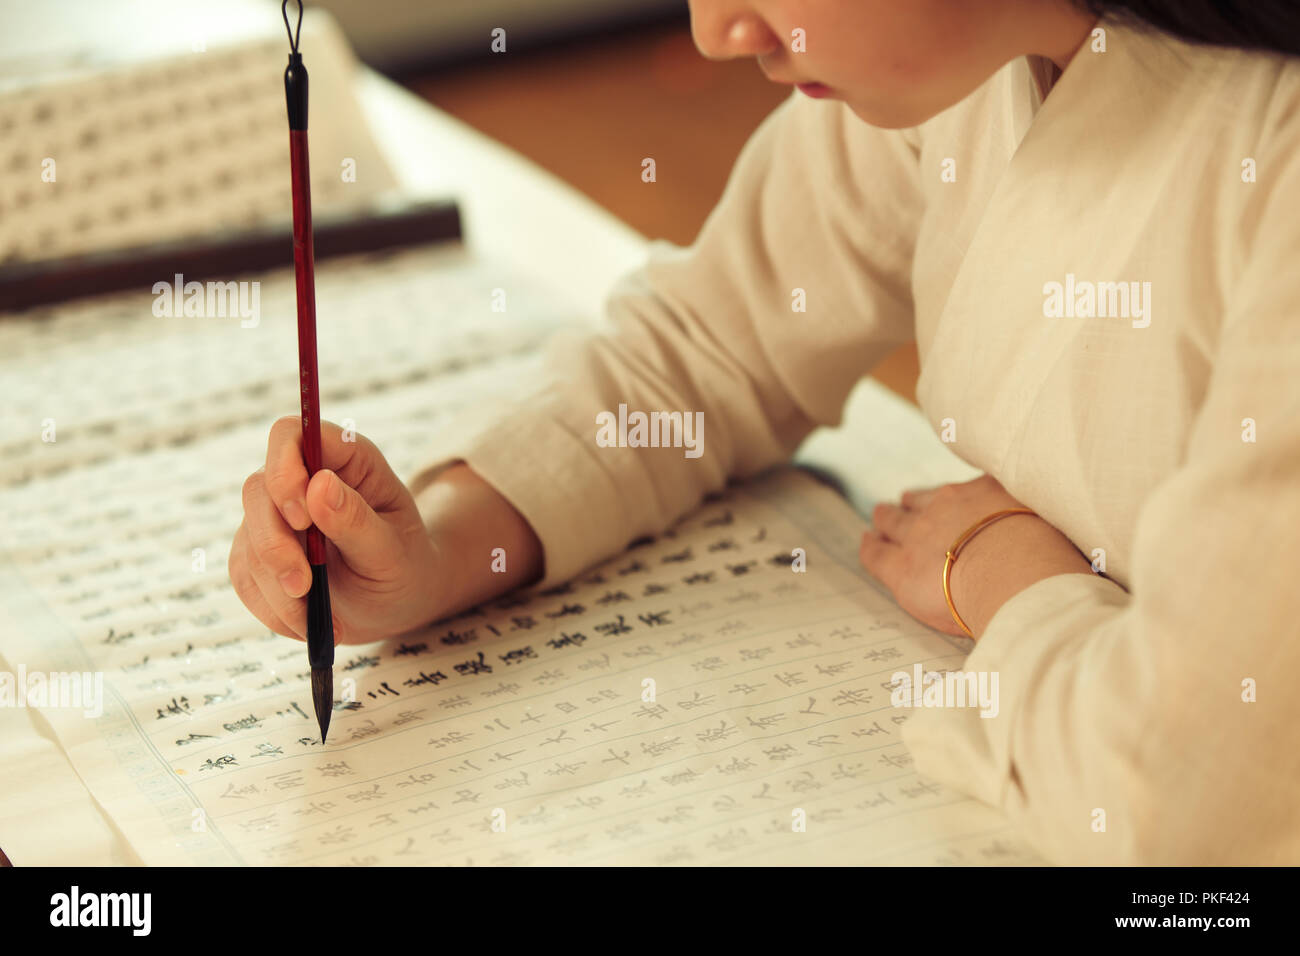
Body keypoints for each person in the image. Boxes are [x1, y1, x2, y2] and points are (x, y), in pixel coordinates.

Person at [229, 1, 1300, 863]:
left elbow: (1184, 798)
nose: (713, 31)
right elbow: (706, 351)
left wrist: (1005, 573)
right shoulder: (970, 59)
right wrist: (440, 550)